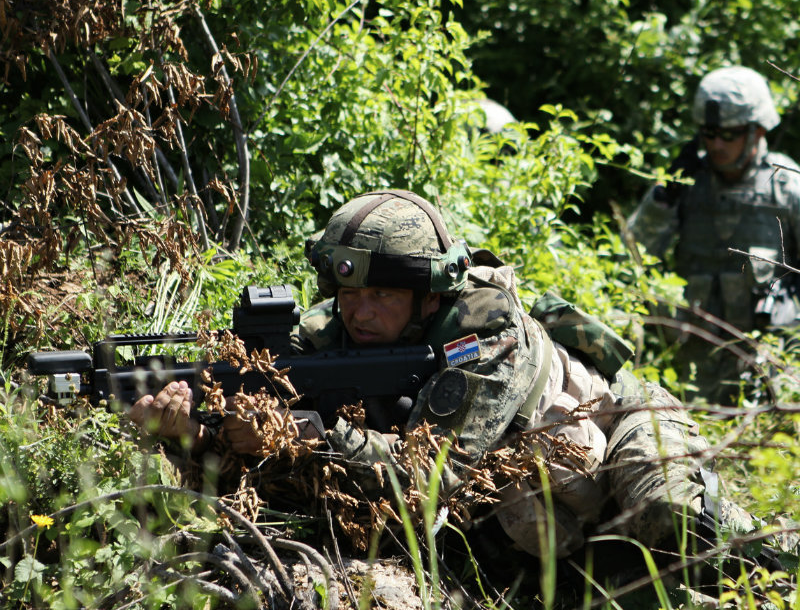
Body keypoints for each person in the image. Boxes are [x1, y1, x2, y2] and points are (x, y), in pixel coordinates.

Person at [130, 189, 783, 566]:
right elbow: (270, 468)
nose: (359, 310)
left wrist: (308, 433)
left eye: (384, 295)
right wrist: (194, 431)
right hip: (532, 525)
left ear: (429, 293)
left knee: (685, 526)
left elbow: (430, 475)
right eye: (347, 293)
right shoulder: (326, 338)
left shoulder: (486, 330)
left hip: (613, 438)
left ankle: (780, 560)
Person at [627, 66, 800, 400]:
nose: (717, 143)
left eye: (729, 134)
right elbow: (633, 254)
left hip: (772, 364)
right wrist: (665, 194)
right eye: (709, 133)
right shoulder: (688, 183)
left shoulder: (787, 186)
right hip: (692, 371)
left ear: (758, 130)